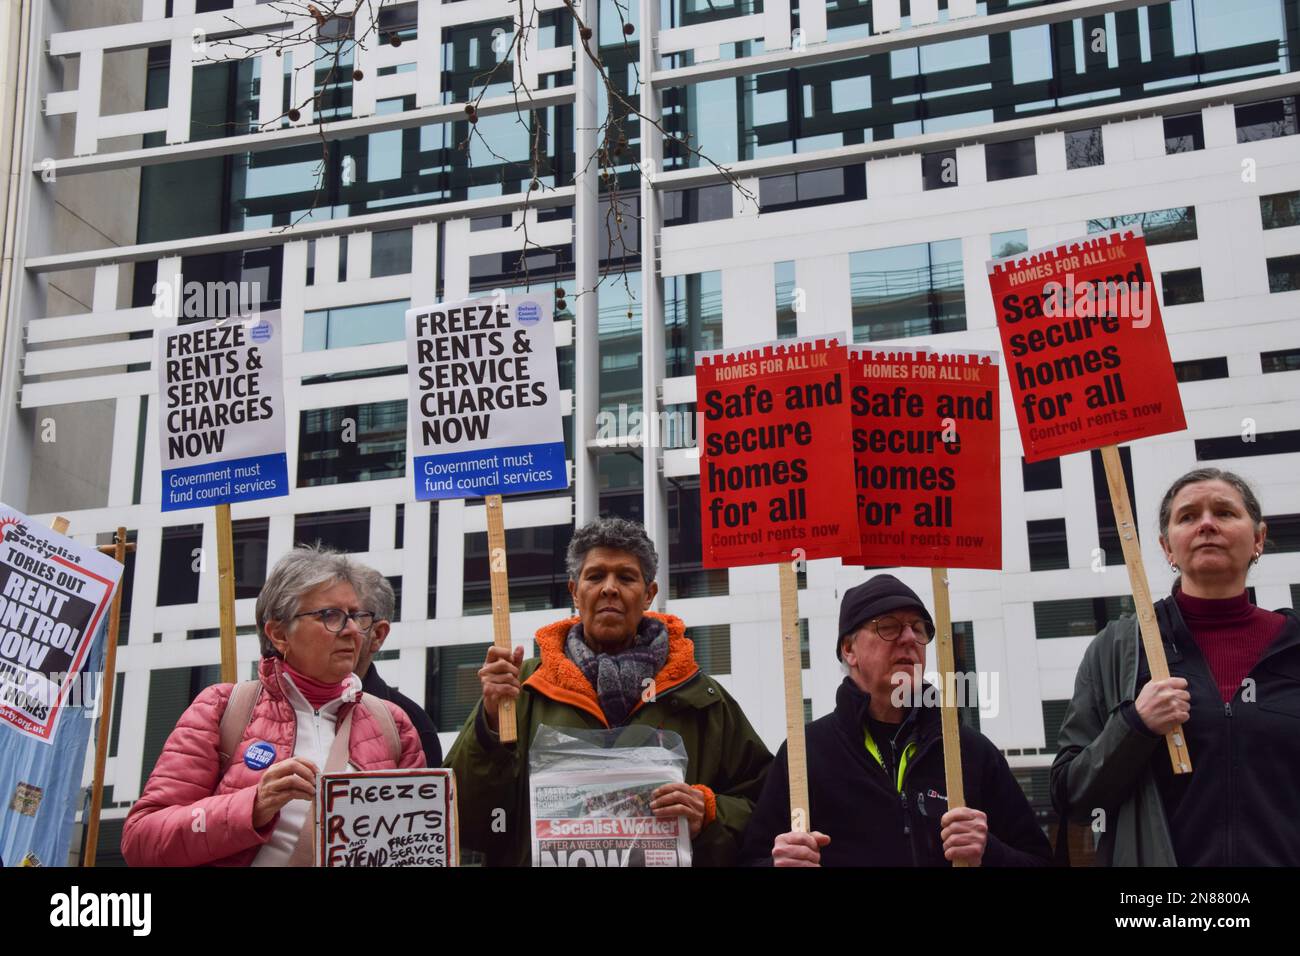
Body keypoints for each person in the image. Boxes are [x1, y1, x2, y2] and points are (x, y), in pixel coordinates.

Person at [446, 516, 772, 866]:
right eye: (596, 575)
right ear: (574, 591)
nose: (609, 588)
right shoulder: (520, 690)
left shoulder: (702, 698)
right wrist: (490, 724)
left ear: (649, 595)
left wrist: (708, 813)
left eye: (626, 577)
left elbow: (766, 809)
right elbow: (463, 819)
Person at [1052, 467, 1300, 866]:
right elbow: (1072, 797)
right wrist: (1134, 725)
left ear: (1258, 538)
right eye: (1188, 516)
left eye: (1224, 512)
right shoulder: (1119, 650)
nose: (1206, 524)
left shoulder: (1293, 645)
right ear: (1168, 548)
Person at [121, 546, 424, 867]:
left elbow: (417, 848)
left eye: (356, 616)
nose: (351, 630)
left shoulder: (393, 724)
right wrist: (254, 805)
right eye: (330, 615)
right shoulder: (221, 708)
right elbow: (141, 840)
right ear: (279, 634)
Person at [742, 574, 1052, 867]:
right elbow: (750, 860)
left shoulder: (968, 752)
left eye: (919, 629)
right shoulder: (804, 755)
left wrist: (990, 852)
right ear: (849, 649)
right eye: (888, 626)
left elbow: (1041, 860)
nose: (909, 638)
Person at [354, 567, 443, 767]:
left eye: (351, 616)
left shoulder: (411, 724)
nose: (337, 627)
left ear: (377, 635)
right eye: (327, 614)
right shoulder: (278, 702)